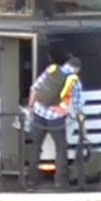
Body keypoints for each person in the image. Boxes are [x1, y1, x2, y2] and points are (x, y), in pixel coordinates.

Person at [24, 56, 85, 186]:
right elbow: (77, 104)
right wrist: (81, 120)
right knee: (61, 148)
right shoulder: (74, 81)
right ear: (77, 69)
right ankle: (60, 181)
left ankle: (31, 179)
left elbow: (34, 88)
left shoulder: (51, 71)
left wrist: (30, 107)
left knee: (36, 146)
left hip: (39, 114)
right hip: (56, 119)